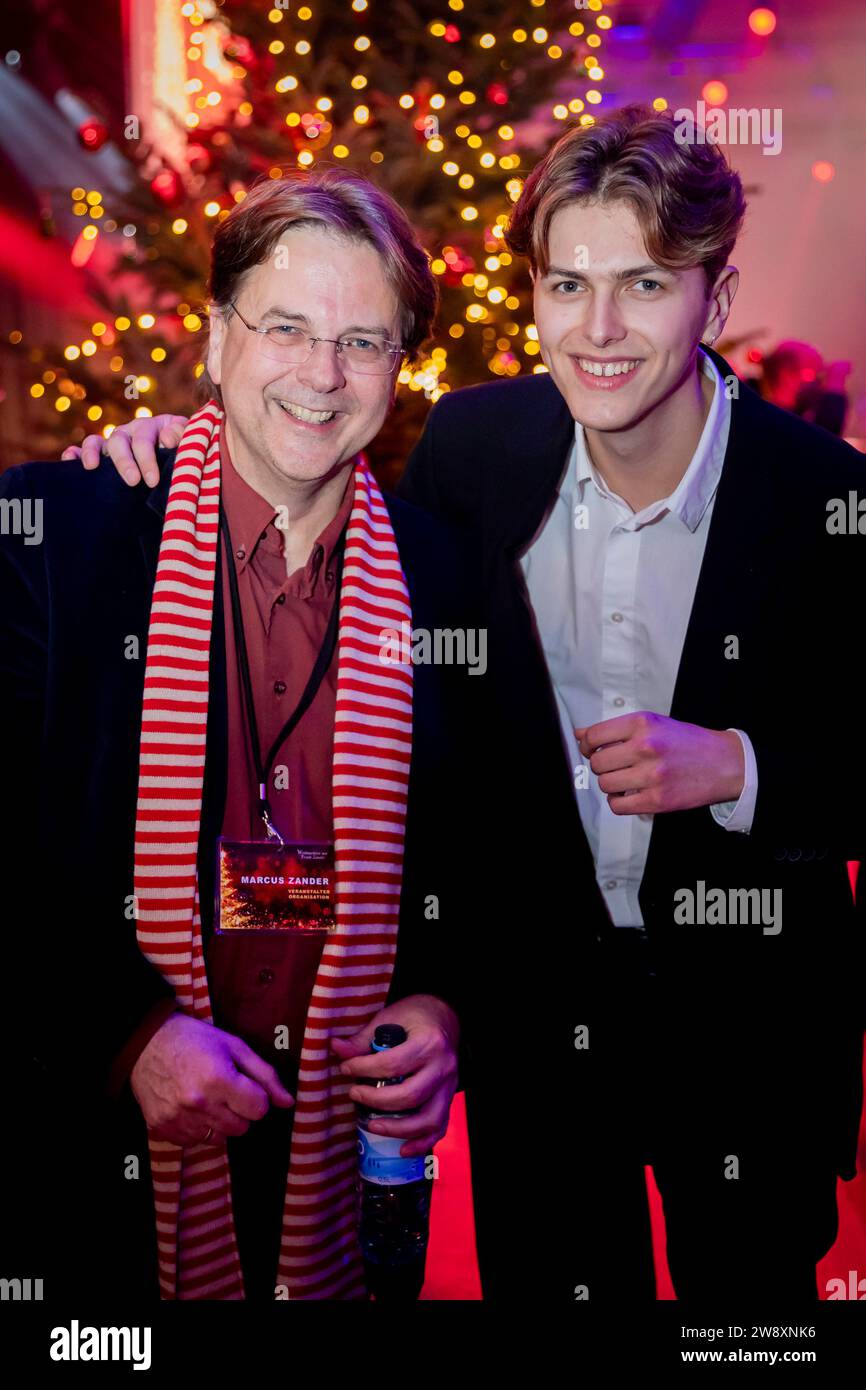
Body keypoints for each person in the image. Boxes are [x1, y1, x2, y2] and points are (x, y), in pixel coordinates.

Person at [89, 106, 866, 1303]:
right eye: (566, 282)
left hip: (746, 1033)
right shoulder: (474, 443)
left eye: (645, 284)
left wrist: (740, 766)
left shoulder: (825, 495)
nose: (598, 330)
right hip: (534, 1026)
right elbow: (315, 498)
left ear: (712, 302)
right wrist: (163, 451)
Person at [0, 168, 470, 1302]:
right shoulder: (57, 537)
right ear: (217, 338)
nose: (322, 375)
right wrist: (128, 1034)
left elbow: (477, 847)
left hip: (338, 1138)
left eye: (362, 341)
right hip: (98, 1144)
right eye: (287, 329)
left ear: (397, 367)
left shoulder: (445, 573)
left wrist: (444, 999)